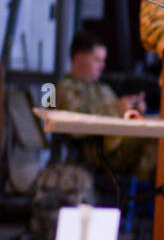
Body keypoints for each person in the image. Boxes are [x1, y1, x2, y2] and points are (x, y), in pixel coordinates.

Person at [55, 30, 156, 180]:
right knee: (158, 141)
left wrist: (132, 109)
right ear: (79, 58)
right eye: (97, 60)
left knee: (163, 139)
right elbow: (73, 124)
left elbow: (119, 112)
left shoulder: (102, 89)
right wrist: (117, 109)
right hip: (101, 152)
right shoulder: (62, 88)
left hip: (118, 144)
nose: (102, 66)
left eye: (103, 60)